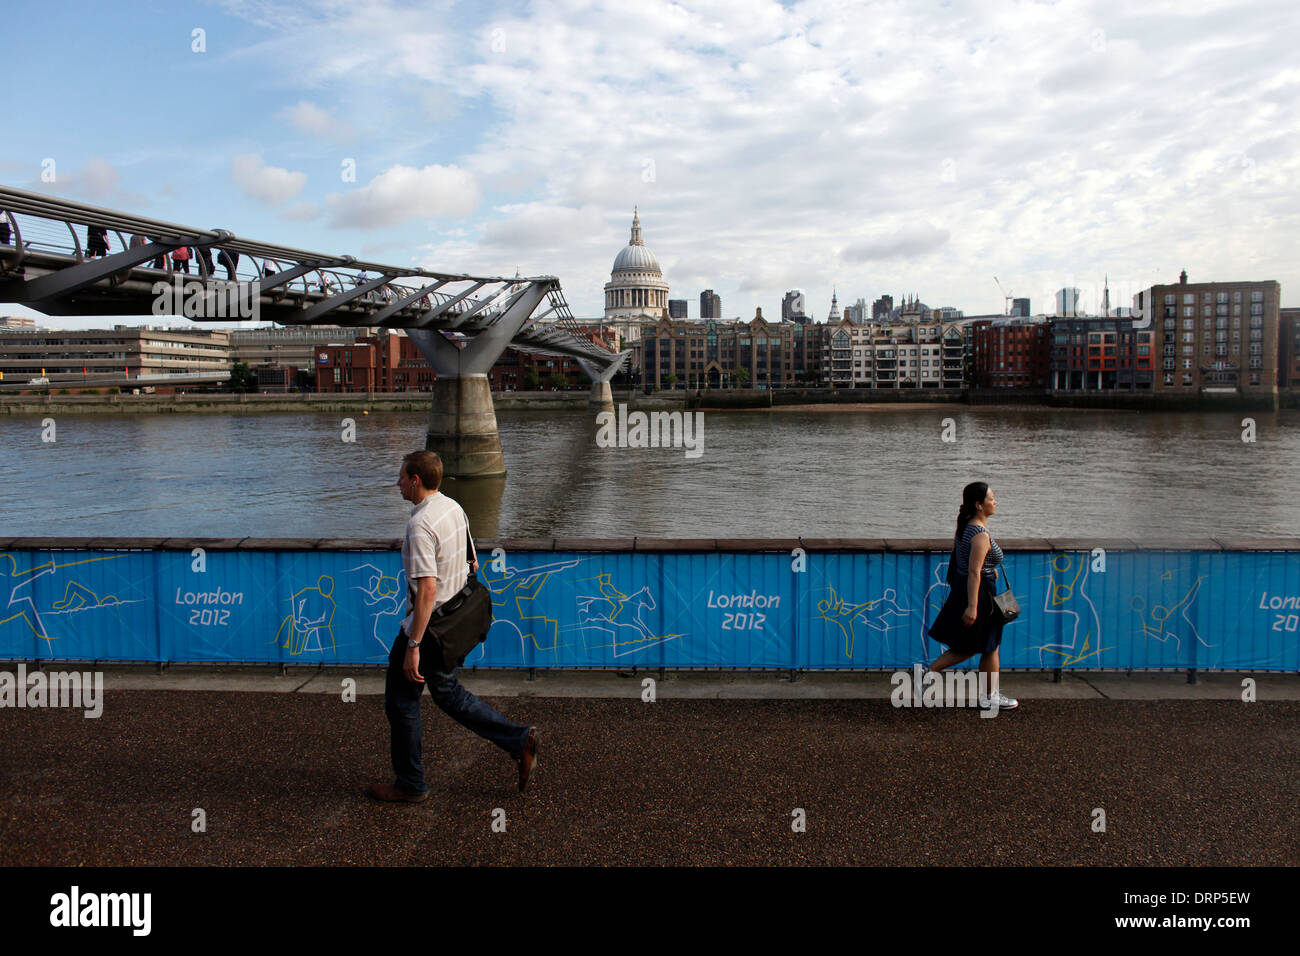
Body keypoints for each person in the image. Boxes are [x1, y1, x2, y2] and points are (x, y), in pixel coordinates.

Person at [369, 450, 540, 803]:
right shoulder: (453, 507)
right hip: (453, 621)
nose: (397, 483)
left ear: (416, 480)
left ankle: (411, 784)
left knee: (401, 702)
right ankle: (518, 740)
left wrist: (413, 646)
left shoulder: (419, 525)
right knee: (449, 695)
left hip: (428, 628)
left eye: (401, 477)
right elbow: (472, 560)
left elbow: (427, 589)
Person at [921, 482, 1018, 710]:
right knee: (984, 646)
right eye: (991, 498)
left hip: (973, 589)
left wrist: (988, 568)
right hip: (981, 594)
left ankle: (985, 694)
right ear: (979, 505)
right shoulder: (980, 534)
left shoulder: (966, 529)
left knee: (980, 645)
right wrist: (973, 606)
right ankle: (987, 696)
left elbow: (967, 564)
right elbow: (973, 571)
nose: (995, 502)